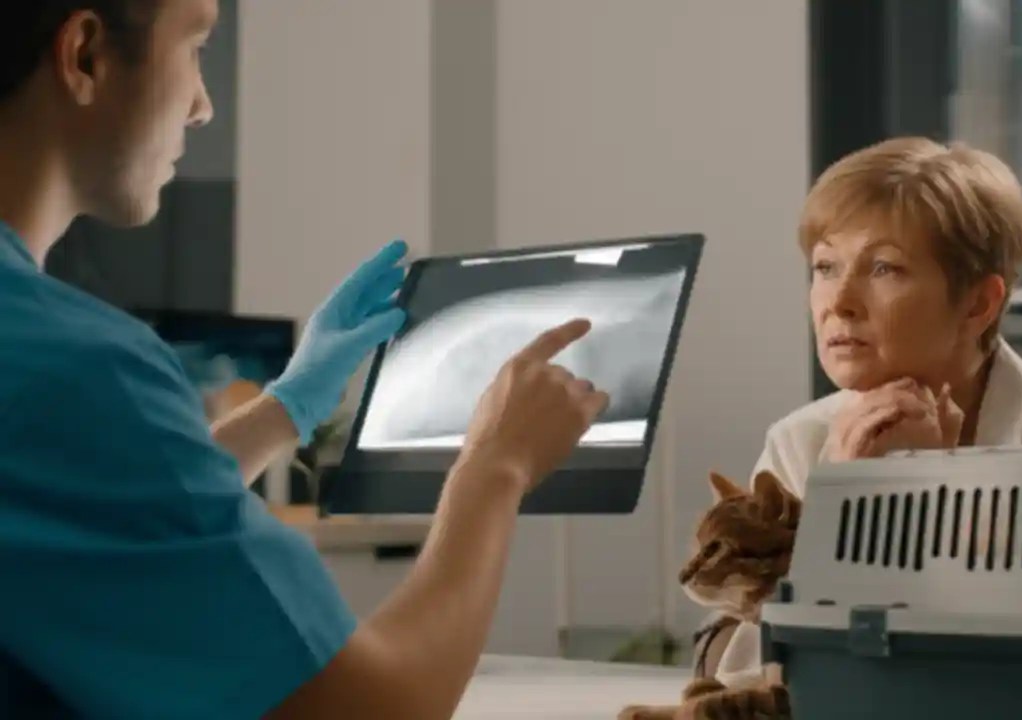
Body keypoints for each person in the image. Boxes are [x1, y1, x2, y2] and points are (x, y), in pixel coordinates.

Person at [0, 2, 608, 718]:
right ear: (86, 57)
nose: (203, 106)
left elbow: (73, 516)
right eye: (195, 47)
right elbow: (371, 709)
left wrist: (285, 409)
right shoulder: (79, 368)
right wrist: (494, 468)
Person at [702, 136, 1022, 686]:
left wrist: (925, 499)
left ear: (978, 304)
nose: (838, 301)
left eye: (885, 268)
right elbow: (756, 677)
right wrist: (842, 494)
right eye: (825, 266)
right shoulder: (800, 440)